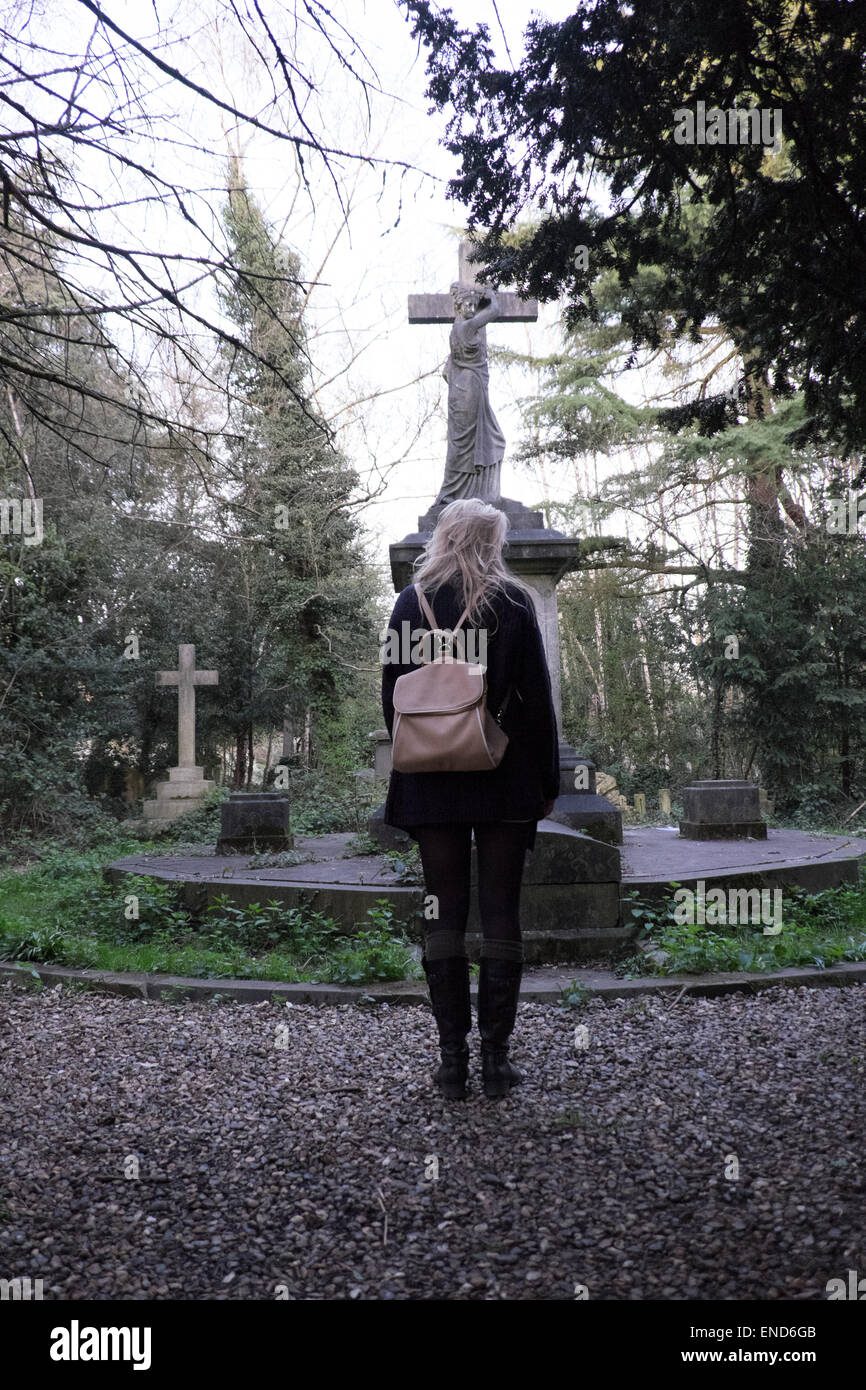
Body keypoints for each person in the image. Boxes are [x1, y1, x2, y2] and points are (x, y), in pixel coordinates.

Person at [380, 499, 560, 1100]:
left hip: (430, 783)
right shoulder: (512, 603)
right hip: (503, 773)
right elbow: (535, 702)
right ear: (492, 541)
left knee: (442, 909)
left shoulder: (410, 603)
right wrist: (546, 784)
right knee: (502, 908)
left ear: (443, 538)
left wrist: (428, 747)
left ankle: (450, 1062)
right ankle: (495, 1062)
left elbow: (393, 699)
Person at [436, 285, 505, 503]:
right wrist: (491, 294)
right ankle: (463, 493)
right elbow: (495, 311)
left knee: (469, 441)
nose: (472, 309)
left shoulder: (456, 330)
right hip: (469, 388)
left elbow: (449, 368)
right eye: (468, 304)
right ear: (458, 306)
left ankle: (471, 493)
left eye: (475, 305)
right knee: (480, 441)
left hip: (464, 386)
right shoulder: (465, 327)